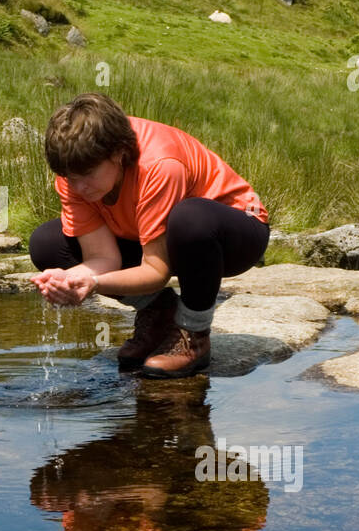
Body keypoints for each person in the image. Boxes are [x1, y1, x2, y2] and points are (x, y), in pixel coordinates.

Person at [30, 93, 270, 378]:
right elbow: (102, 258)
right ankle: (159, 312)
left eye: (88, 174)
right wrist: (73, 281)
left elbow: (156, 270)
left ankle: (193, 334)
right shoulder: (74, 168)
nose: (78, 186)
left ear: (118, 154)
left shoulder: (159, 165)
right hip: (160, 238)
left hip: (232, 233)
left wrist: (94, 284)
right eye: (70, 177)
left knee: (190, 219)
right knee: (47, 243)